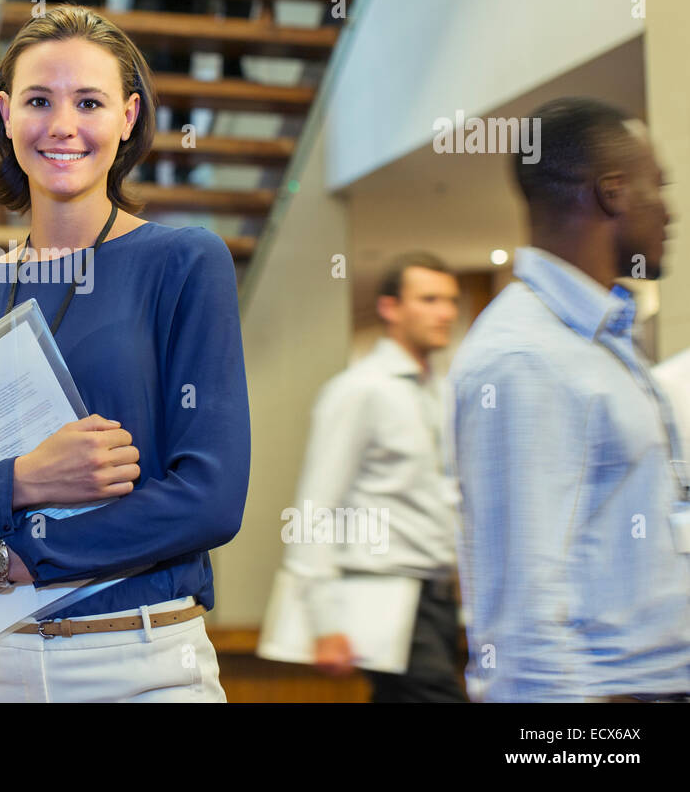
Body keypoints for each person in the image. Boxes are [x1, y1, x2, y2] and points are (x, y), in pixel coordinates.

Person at [0, 4, 250, 702]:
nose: (62, 125)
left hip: (142, 663)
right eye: (38, 100)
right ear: (5, 115)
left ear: (128, 116)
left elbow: (209, 500)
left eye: (88, 101)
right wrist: (24, 479)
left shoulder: (184, 263)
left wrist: (7, 560)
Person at [450, 97, 690, 702]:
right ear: (613, 193)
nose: (671, 210)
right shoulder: (524, 357)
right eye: (656, 186)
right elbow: (520, 607)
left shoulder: (601, 339)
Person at [278, 252, 466, 702]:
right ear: (390, 308)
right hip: (387, 600)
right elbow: (316, 507)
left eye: (451, 300)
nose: (446, 312)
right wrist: (324, 621)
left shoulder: (445, 393)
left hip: (439, 601)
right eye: (429, 299)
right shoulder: (359, 390)